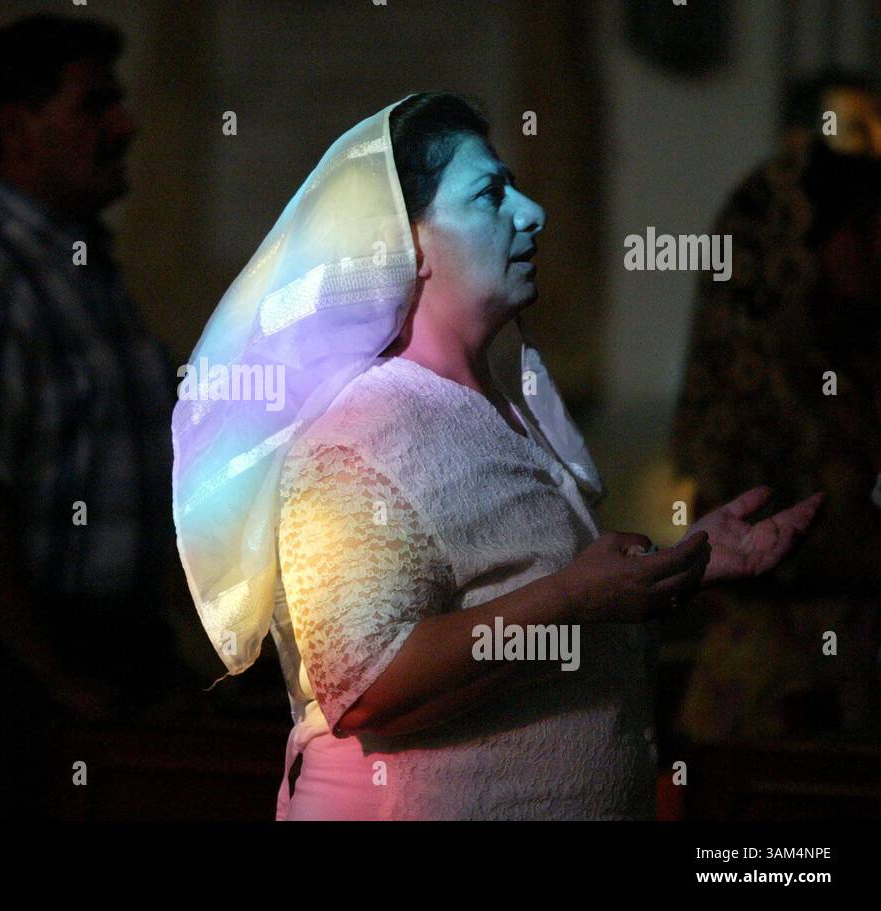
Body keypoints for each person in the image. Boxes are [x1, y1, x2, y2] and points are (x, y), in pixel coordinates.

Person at [171, 92, 823, 820]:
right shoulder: (361, 431)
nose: (532, 210)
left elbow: (524, 597)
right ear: (405, 243)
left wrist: (679, 564)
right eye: (490, 192)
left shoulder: (503, 403)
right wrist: (577, 598)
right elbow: (366, 684)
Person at [0, 14, 185, 818]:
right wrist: (54, 676)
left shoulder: (80, 267)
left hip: (74, 649)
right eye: (94, 106)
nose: (124, 124)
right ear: (18, 130)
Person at [670, 77, 881, 740]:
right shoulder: (768, 382)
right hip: (767, 675)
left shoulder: (859, 362)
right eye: (857, 227)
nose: (875, 245)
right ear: (800, 252)